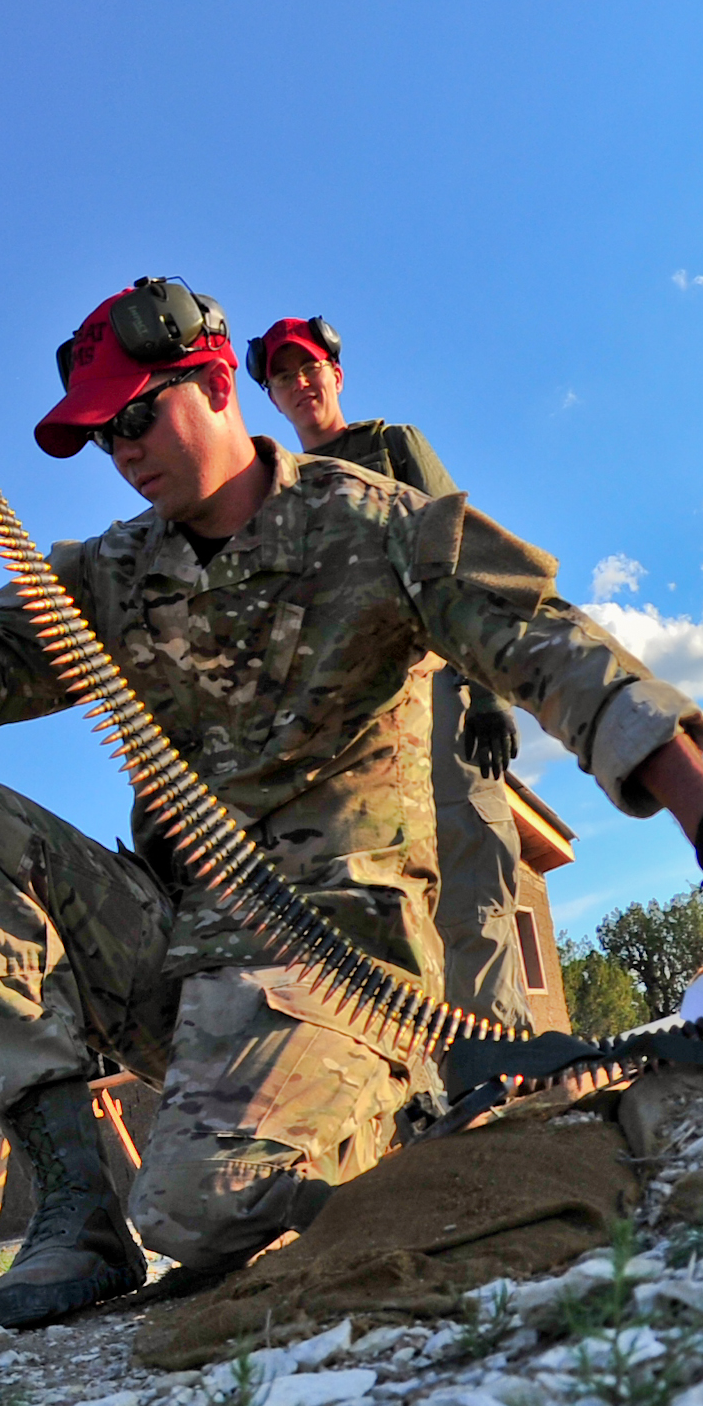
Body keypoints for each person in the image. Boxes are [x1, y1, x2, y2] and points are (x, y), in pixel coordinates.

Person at [0, 277, 703, 1328]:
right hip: (184, 947)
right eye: (105, 435)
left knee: (197, 1211)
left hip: (341, 956)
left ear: (212, 380)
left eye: (139, 416)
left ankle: (397, 1100)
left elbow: (555, 647)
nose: (125, 451)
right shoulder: (110, 574)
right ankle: (76, 1212)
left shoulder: (369, 524)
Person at [249, 314, 530, 1029]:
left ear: (335, 374)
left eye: (308, 367)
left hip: (433, 690)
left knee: (473, 877)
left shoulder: (389, 447)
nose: (300, 383)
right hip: (349, 730)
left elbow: (463, 560)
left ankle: (506, 1067)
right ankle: (421, 1094)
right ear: (270, 397)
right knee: (373, 910)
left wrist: (489, 694)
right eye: (283, 376)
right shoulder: (280, 491)